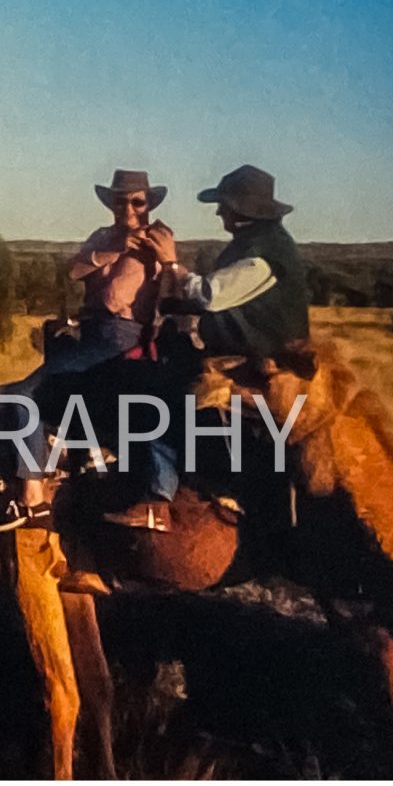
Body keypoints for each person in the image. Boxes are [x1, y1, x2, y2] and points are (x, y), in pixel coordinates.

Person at [123, 164, 311, 531]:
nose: (219, 211)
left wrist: (170, 263)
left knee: (164, 396)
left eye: (224, 204)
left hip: (262, 361)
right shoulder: (255, 244)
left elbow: (212, 294)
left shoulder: (263, 253)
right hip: (250, 353)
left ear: (241, 209)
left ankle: (159, 497)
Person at [0, 169, 167, 533]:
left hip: (120, 337)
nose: (128, 208)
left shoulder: (156, 240)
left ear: (148, 204)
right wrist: (112, 251)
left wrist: (105, 266)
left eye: (137, 201)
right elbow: (73, 271)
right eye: (121, 200)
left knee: (22, 395)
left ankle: (32, 498)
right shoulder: (104, 237)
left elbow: (116, 298)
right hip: (92, 333)